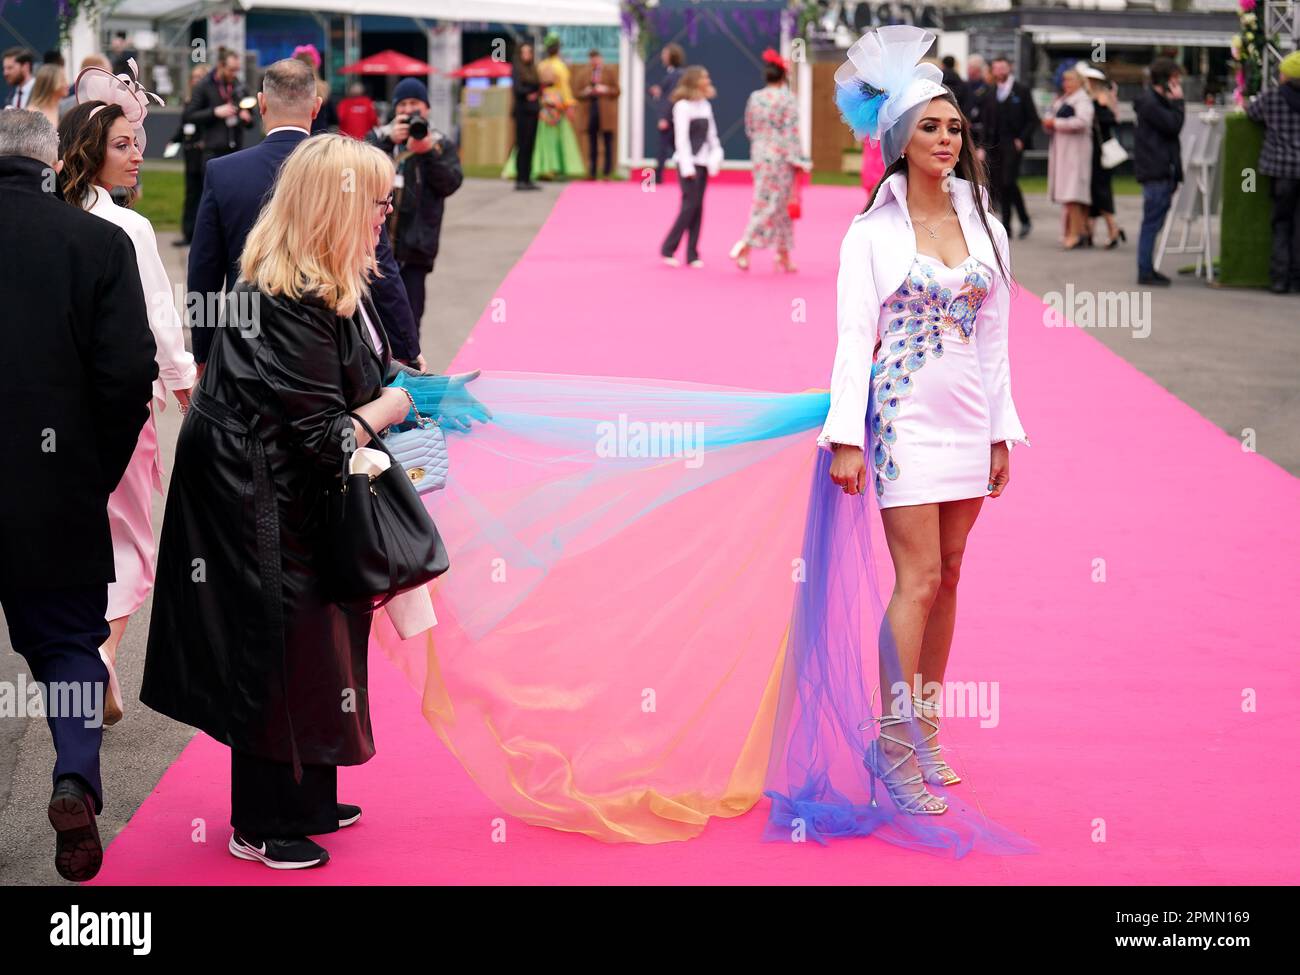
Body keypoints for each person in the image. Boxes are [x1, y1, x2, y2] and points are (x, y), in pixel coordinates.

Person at [141, 134, 418, 870]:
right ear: (339, 206)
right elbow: (326, 433)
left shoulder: (322, 277)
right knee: (275, 640)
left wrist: (393, 397)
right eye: (380, 201)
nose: (387, 213)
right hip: (252, 491)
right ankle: (261, 820)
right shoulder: (289, 293)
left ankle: (309, 796)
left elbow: (341, 388)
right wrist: (389, 409)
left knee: (319, 630)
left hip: (281, 479)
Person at [822, 23, 1029, 814]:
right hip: (903, 416)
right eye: (929, 127)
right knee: (918, 579)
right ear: (899, 140)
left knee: (951, 575)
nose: (945, 138)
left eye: (953, 127)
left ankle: (929, 726)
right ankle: (892, 740)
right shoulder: (870, 234)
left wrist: (1002, 429)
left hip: (970, 415)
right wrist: (846, 436)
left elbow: (998, 338)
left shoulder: (986, 222)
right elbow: (851, 339)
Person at [0, 108, 157, 882]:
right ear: (51, 159)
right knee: (68, 643)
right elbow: (131, 374)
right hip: (54, 482)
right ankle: (73, 775)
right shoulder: (98, 242)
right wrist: (91, 468)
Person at [57, 79, 197, 726]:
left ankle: (79, 655)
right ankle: (103, 653)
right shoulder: (127, 225)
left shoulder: (47, 215)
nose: (137, 154)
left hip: (51, 413)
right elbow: (159, 314)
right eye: (122, 145)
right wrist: (184, 384)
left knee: (76, 538)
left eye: (137, 142)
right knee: (135, 540)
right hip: (119, 405)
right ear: (91, 150)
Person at [187, 58, 423, 370]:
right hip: (326, 337)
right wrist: (407, 347)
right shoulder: (345, 172)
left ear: (261, 103)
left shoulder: (223, 172)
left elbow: (203, 276)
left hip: (246, 336)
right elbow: (378, 266)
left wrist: (203, 355)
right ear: (316, 106)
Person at [366, 77, 464, 326]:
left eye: (415, 103)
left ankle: (409, 364)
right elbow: (358, 175)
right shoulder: (379, 137)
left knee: (409, 319)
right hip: (374, 245)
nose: (409, 110)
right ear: (394, 108)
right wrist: (387, 142)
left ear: (427, 108)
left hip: (417, 248)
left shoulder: (440, 143)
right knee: (374, 320)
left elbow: (450, 183)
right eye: (403, 104)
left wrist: (427, 153)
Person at [731, 49, 803, 272]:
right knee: (771, 203)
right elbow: (791, 131)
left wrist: (762, 144)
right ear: (783, 76)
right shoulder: (787, 99)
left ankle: (783, 253)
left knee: (774, 203)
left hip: (761, 154)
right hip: (781, 157)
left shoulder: (755, 97)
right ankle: (744, 244)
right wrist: (797, 158)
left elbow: (750, 127)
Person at [1246, 50, 1300, 294]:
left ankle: (1279, 279)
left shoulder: (1272, 97)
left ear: (1286, 74)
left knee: (1281, 224)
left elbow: (1251, 113)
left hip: (1280, 171)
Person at [660, 66, 722, 268]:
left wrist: (716, 155)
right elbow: (682, 140)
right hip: (687, 163)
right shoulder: (682, 106)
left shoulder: (705, 105)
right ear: (695, 81)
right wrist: (687, 167)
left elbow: (712, 136)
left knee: (698, 208)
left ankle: (692, 253)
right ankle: (668, 247)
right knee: (689, 206)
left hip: (703, 163)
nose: (708, 80)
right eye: (705, 77)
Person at [1132, 57, 1185, 286]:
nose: (1177, 84)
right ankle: (1145, 270)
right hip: (1156, 171)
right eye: (1174, 79)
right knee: (1151, 223)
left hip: (1161, 170)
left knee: (1154, 223)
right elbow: (1173, 126)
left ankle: (1147, 268)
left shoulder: (1156, 102)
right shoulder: (1151, 104)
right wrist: (1179, 102)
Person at [503, 38, 585, 181]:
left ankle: (531, 173)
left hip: (540, 109)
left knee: (534, 142)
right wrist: (568, 105)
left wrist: (539, 96)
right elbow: (564, 89)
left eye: (529, 51)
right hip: (549, 108)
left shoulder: (539, 66)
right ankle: (535, 173)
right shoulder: (558, 67)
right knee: (535, 142)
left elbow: (538, 88)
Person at [977, 55, 1038, 239]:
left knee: (1007, 181)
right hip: (994, 144)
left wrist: (1021, 138)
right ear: (993, 71)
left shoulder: (1021, 90)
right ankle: (1024, 219)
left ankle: (1007, 226)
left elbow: (1033, 119)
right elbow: (985, 122)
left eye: (1003, 68)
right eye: (996, 68)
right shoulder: (990, 92)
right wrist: (981, 146)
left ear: (1009, 68)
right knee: (1000, 183)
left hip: (1012, 143)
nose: (1000, 71)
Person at [1043, 66, 1094, 249]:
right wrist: (1049, 123)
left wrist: (1056, 122)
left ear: (1080, 82)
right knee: (1068, 195)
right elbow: (1051, 115)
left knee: (1073, 195)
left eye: (1071, 80)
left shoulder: (1083, 100)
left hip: (1076, 153)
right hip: (1062, 151)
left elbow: (1083, 122)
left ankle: (1075, 234)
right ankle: (1077, 232)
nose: (1067, 84)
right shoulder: (1063, 99)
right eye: (1065, 80)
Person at [183, 49, 255, 171]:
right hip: (212, 152)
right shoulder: (204, 86)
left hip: (235, 150)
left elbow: (251, 121)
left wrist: (246, 117)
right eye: (231, 70)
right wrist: (215, 112)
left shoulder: (240, 87)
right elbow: (189, 115)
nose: (234, 74)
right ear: (221, 65)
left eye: (237, 70)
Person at [1081, 62, 1125, 249]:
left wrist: (1106, 103)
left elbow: (1111, 121)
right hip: (1091, 151)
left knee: (1101, 191)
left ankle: (1112, 229)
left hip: (1100, 152)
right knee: (1094, 192)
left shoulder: (1102, 98)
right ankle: (1090, 231)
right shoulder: (1092, 97)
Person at [573, 47, 620, 180]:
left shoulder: (609, 72)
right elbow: (577, 92)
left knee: (607, 143)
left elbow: (617, 91)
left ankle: (607, 172)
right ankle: (592, 172)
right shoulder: (584, 74)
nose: (595, 61)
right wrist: (586, 92)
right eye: (592, 59)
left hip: (606, 112)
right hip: (591, 111)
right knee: (592, 143)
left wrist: (605, 89)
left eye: (597, 58)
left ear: (601, 59)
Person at [650, 43, 685, 184]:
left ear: (672, 56)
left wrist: (664, 117)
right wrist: (660, 91)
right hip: (672, 117)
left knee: (664, 150)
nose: (662, 56)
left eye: (665, 53)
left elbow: (671, 98)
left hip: (671, 118)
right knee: (675, 149)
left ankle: (657, 179)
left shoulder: (676, 74)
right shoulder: (672, 74)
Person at [509, 42, 541, 191]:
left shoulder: (533, 70)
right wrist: (530, 92)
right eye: (525, 52)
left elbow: (538, 87)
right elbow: (518, 90)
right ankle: (520, 178)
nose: (528, 55)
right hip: (522, 111)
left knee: (530, 145)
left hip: (533, 111)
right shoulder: (517, 69)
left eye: (530, 52)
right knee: (522, 145)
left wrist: (534, 92)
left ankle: (528, 178)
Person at [293, 44, 338, 134]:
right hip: (319, 137)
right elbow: (334, 118)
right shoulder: (323, 88)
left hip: (298, 137)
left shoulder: (289, 88)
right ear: (315, 65)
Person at [26, 63, 65, 127]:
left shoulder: (63, 107)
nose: (66, 84)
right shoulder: (32, 112)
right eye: (62, 80)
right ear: (50, 84)